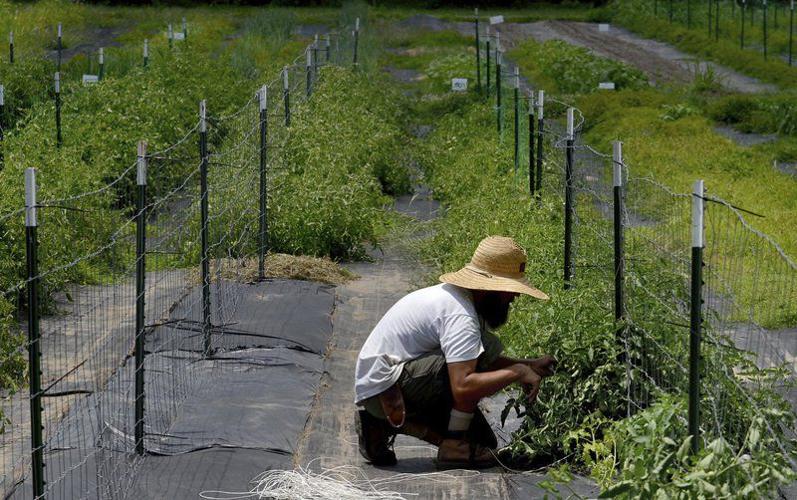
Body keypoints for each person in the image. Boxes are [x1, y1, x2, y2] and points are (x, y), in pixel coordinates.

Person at [353, 235, 557, 468]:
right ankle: (451, 446)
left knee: (483, 442)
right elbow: (463, 386)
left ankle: (380, 425)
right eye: (510, 289)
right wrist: (518, 372)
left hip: (389, 383)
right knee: (464, 374)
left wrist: (530, 365)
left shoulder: (462, 300)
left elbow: (478, 359)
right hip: (384, 392)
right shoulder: (460, 315)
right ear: (492, 288)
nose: (516, 296)